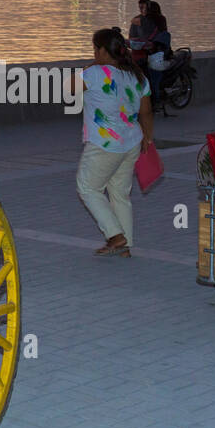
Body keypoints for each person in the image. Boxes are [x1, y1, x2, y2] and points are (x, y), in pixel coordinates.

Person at [71, 28, 154, 258]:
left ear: (103, 50)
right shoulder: (137, 77)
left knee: (87, 187)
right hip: (132, 143)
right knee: (120, 193)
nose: (94, 52)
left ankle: (115, 235)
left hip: (104, 145)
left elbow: (67, 88)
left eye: (95, 48)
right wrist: (148, 137)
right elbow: (146, 112)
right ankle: (124, 246)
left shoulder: (95, 74)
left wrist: (89, 67)